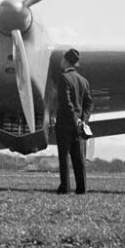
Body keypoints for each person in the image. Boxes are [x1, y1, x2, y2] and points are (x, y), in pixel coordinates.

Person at [54, 48, 93, 194]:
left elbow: (66, 102)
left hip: (65, 124)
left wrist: (74, 120)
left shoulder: (64, 78)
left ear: (65, 60)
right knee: (79, 157)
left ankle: (65, 187)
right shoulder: (84, 81)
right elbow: (89, 103)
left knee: (64, 157)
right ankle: (81, 188)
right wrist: (83, 121)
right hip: (79, 126)